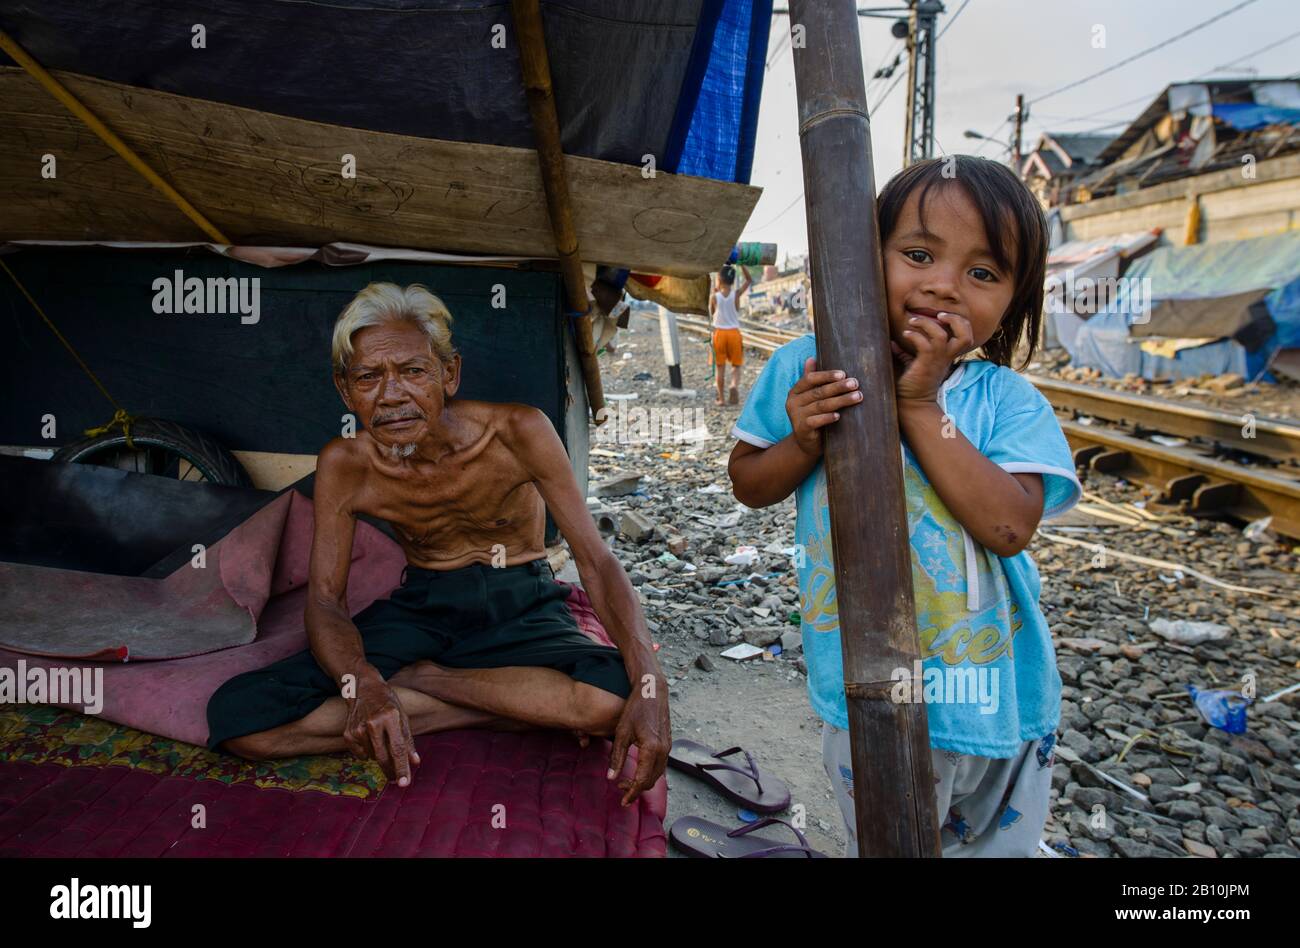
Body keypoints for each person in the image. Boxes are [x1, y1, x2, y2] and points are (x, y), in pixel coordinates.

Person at [727, 156, 1081, 856]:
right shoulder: (809, 368)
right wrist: (803, 441)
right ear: (866, 257)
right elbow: (750, 482)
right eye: (919, 255)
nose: (944, 285)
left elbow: (1010, 526)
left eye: (983, 273)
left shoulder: (1005, 400)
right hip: (869, 697)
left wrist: (918, 405)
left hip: (1000, 699)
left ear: (1014, 298)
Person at [206, 282, 670, 805]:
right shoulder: (347, 463)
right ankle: (508, 706)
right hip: (425, 609)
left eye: (413, 371)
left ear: (449, 374)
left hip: (522, 602)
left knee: (612, 702)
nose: (392, 395)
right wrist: (364, 684)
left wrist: (652, 682)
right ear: (345, 391)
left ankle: (425, 685)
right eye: (368, 377)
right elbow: (326, 601)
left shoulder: (518, 432)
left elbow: (596, 560)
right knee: (242, 721)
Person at [709, 263, 752, 406]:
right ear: (733, 280)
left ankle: (721, 399)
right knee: (736, 366)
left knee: (720, 368)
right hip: (734, 333)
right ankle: (733, 384)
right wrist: (741, 264)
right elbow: (749, 280)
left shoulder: (714, 297)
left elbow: (712, 314)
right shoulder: (736, 294)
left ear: (719, 280)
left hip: (719, 334)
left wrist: (715, 289)